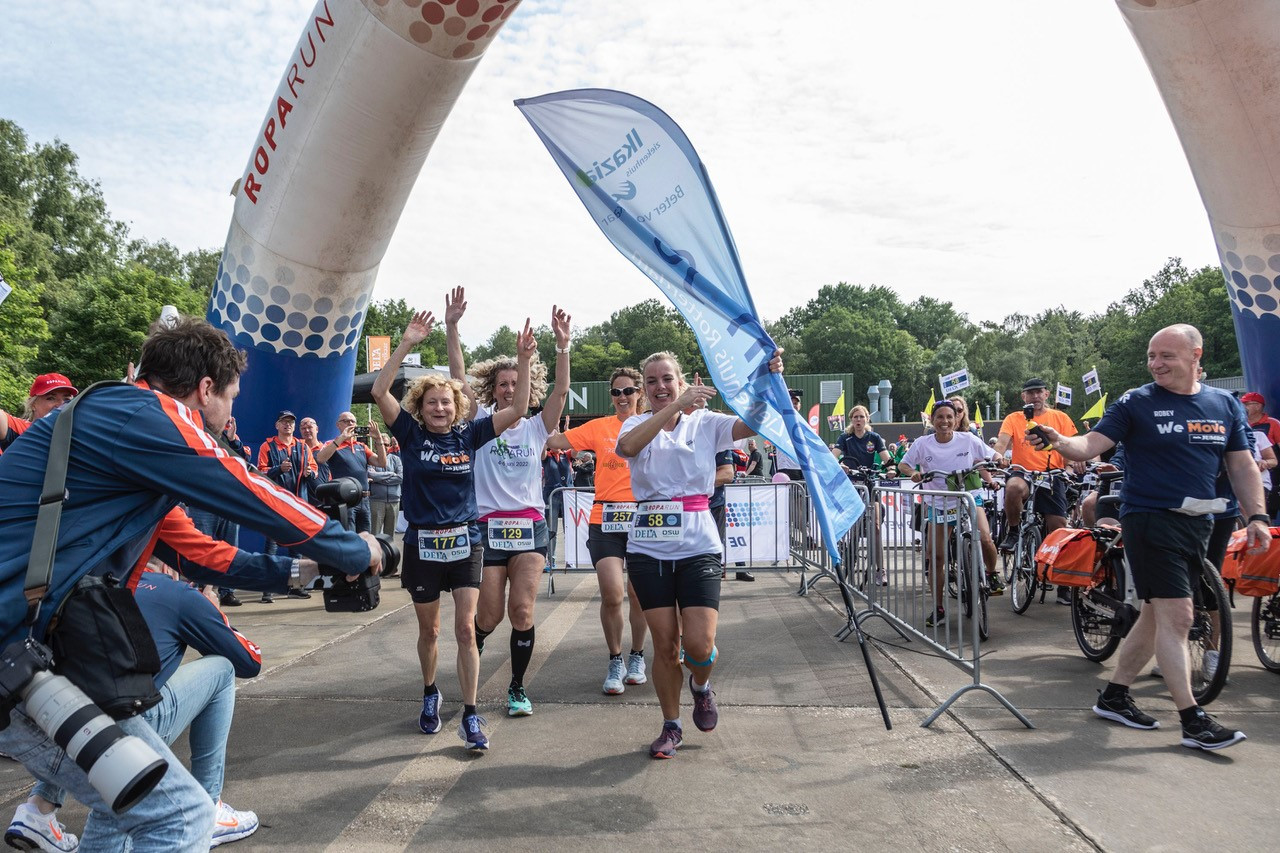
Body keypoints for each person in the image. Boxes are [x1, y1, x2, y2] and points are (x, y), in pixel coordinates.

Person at [0, 316, 383, 850]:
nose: (232, 413)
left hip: (33, 656)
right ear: (205, 390)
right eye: (230, 397)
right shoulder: (140, 412)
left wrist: (306, 570)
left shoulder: (124, 442)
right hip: (16, 658)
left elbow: (204, 556)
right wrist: (352, 546)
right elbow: (245, 485)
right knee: (179, 817)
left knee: (133, 799)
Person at [1028, 324, 1270, 751]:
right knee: (1179, 616)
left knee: (1155, 614)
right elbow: (1090, 445)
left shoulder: (1224, 405)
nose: (1156, 364)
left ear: (1196, 355)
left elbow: (1243, 466)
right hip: (1150, 520)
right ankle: (1192, 719)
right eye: (1151, 356)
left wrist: (1256, 516)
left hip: (1204, 522)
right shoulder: (1136, 402)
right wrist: (1059, 440)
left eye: (1167, 356)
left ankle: (1115, 695)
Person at [8, 570, 266, 851]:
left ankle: (38, 808)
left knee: (86, 698)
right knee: (222, 669)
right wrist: (215, 613)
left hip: (51, 714)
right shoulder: (177, 592)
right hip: (122, 720)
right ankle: (211, 804)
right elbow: (249, 662)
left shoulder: (79, 578)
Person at [373, 306, 536, 751]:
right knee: (431, 632)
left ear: (456, 406)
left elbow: (519, 407)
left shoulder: (469, 435)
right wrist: (407, 342)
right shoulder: (408, 433)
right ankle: (430, 693)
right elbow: (379, 388)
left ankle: (470, 714)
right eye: (432, 402)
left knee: (467, 630)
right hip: (423, 545)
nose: (441, 408)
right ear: (421, 407)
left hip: (466, 543)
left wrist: (522, 361)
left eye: (447, 402)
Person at [615, 348, 783, 759]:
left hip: (699, 547)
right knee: (666, 646)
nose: (659, 387)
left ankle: (701, 686)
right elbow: (628, 449)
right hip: (647, 550)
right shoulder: (636, 422)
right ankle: (671, 725)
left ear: (682, 381)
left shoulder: (705, 422)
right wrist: (675, 405)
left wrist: (768, 380)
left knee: (700, 647)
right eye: (651, 381)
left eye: (667, 379)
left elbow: (753, 423)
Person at [446, 290, 571, 719]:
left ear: (525, 387)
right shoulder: (479, 422)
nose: (509, 389)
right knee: (490, 615)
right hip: (486, 529)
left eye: (516, 383)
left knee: (521, 610)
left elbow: (562, 388)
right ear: (492, 391)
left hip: (530, 527)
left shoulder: (538, 428)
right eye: (503, 384)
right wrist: (452, 327)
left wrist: (560, 347)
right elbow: (458, 377)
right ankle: (472, 660)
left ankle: (517, 688)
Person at [545, 367, 651, 694]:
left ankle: (637, 656)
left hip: (644, 518)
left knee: (638, 594)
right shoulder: (600, 427)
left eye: (629, 391)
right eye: (617, 392)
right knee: (612, 594)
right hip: (604, 517)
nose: (622, 398)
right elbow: (554, 440)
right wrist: (535, 418)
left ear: (640, 394)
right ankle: (615, 659)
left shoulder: (654, 424)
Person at [897, 400, 1002, 624]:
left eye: (949, 417)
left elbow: (992, 455)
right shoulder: (923, 443)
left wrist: (1000, 460)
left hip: (968, 497)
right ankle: (938, 608)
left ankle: (992, 575)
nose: (944, 421)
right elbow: (903, 465)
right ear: (932, 421)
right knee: (936, 557)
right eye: (939, 417)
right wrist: (913, 474)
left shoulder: (969, 439)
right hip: (939, 503)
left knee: (985, 537)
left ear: (956, 420)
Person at [991, 378, 1080, 604]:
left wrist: (1071, 466)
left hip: (1052, 475)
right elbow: (1001, 443)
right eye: (1030, 393)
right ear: (1023, 397)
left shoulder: (1060, 417)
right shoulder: (1014, 418)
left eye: (1039, 392)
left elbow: (1071, 444)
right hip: (1023, 472)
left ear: (1047, 394)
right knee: (1012, 488)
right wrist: (998, 455)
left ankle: (1062, 585)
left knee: (1059, 526)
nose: (1035, 397)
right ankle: (1013, 531)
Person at [256, 410, 318, 602]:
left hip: (298, 503)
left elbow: (314, 468)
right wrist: (277, 469)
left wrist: (310, 472)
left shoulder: (302, 446)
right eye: (284, 422)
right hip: (276, 504)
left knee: (297, 547)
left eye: (291, 422)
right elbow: (260, 473)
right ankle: (268, 588)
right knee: (272, 546)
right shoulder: (267, 446)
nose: (288, 425)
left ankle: (296, 586)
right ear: (277, 425)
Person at [314, 412, 388, 534]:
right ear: (338, 425)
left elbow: (382, 463)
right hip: (345, 499)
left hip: (364, 499)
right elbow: (321, 458)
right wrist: (341, 438)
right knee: (349, 538)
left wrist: (378, 439)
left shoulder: (361, 446)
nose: (350, 424)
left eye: (352, 421)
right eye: (346, 421)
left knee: (366, 538)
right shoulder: (332, 444)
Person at [0, 373, 79, 455]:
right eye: (51, 398)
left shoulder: (76, 437)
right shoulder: (22, 429)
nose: (60, 405)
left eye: (66, 399)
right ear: (33, 404)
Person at [1241, 392, 1280, 519]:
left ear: (1258, 406)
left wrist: (1266, 463)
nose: (1242, 406)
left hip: (1269, 476)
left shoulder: (1272, 424)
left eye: (1246, 404)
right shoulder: (1239, 425)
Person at [368, 432, 404, 539]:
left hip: (394, 501)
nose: (384, 447)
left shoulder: (396, 459)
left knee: (390, 536)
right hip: (377, 501)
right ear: (376, 445)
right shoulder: (371, 458)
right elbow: (371, 475)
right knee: (375, 534)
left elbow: (401, 478)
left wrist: (380, 479)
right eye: (381, 444)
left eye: (386, 444)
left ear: (389, 446)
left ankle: (389, 556)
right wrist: (391, 474)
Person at [836, 405, 891, 473]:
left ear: (867, 419)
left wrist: (891, 469)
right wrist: (840, 465)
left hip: (868, 477)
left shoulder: (875, 437)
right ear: (851, 419)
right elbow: (833, 456)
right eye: (855, 417)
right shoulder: (844, 437)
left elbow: (886, 458)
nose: (858, 419)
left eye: (861, 416)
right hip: (850, 477)